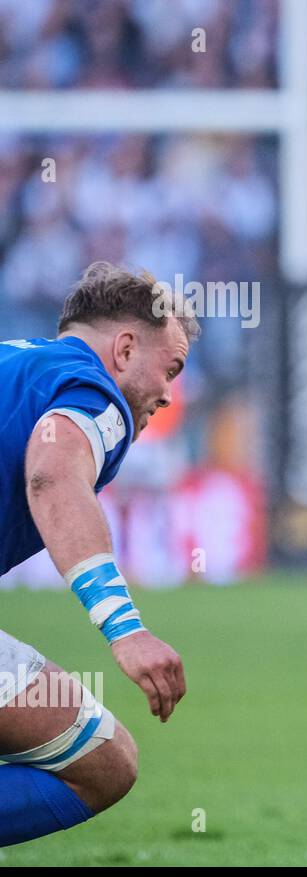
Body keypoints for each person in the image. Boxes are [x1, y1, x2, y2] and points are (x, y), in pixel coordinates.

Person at [0, 262, 194, 847]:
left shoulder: (17, 360)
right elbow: (53, 476)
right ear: (126, 347)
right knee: (104, 763)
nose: (166, 394)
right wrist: (126, 630)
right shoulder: (94, 392)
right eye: (171, 369)